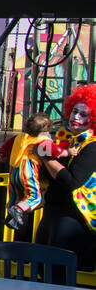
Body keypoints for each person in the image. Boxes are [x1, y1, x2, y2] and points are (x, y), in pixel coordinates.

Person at [38, 84, 96, 269]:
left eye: (83, 114)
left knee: (57, 270)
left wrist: (46, 157)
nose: (76, 117)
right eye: (74, 111)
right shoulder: (68, 141)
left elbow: (71, 182)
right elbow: (47, 174)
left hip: (73, 217)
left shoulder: (92, 146)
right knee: (40, 266)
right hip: (53, 210)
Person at [2, 113, 57, 232]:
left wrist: (3, 155)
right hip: (28, 170)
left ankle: (10, 217)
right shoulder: (44, 139)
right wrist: (67, 152)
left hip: (14, 169)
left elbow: (5, 148)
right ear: (46, 130)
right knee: (35, 197)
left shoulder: (19, 137)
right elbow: (52, 152)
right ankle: (17, 210)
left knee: (16, 195)